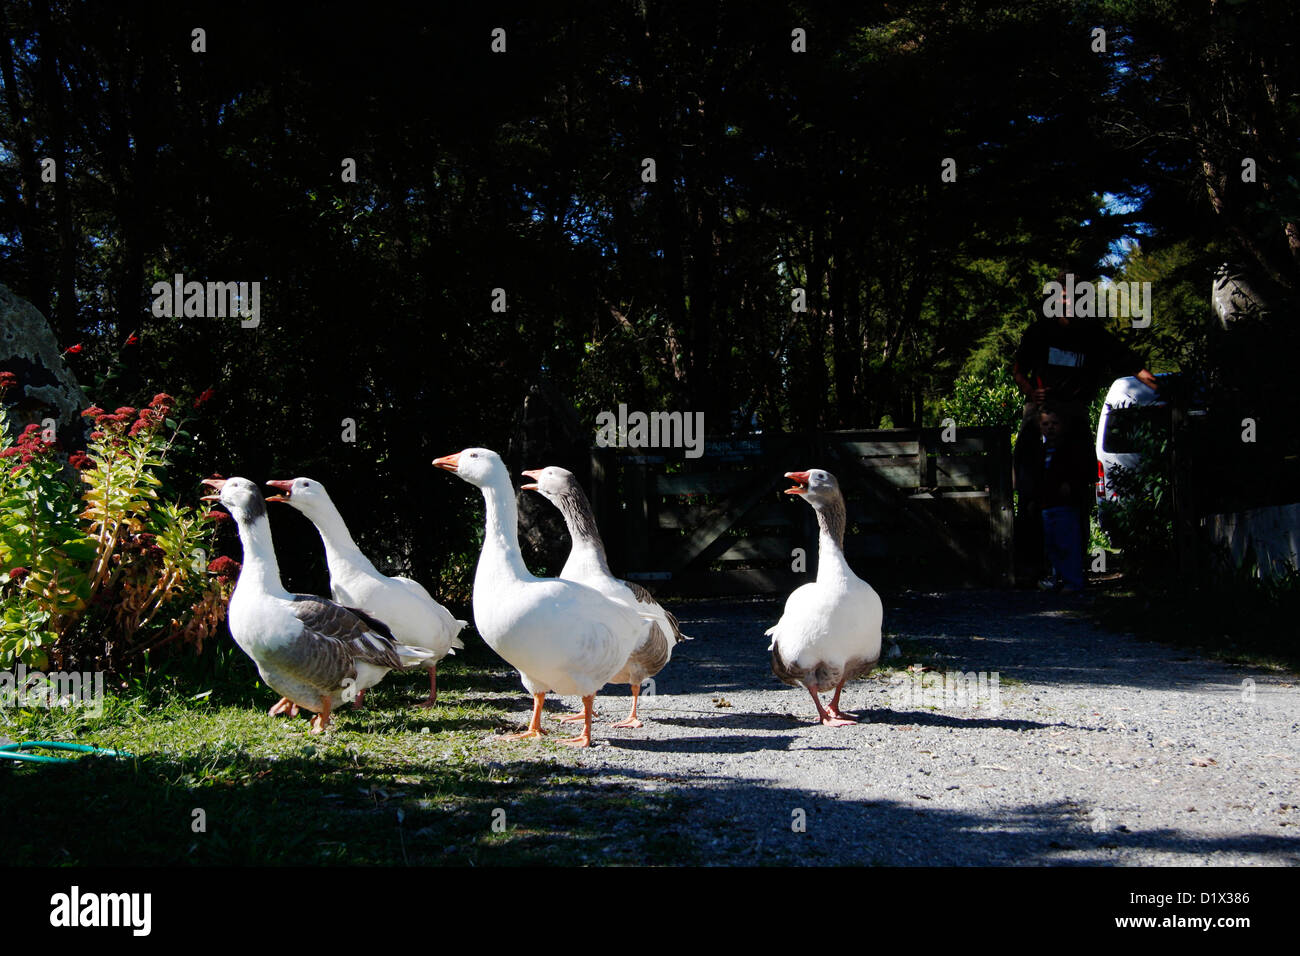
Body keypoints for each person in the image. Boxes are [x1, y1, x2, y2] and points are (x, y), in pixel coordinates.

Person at [1010, 270, 1159, 585]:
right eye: (1062, 297)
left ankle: (1073, 567)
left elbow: (1132, 363)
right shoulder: (1039, 332)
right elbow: (1018, 369)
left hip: (1074, 416)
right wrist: (1030, 392)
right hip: (1040, 413)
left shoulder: (1093, 334)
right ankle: (1029, 569)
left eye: (1075, 298)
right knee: (1032, 489)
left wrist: (1160, 387)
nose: (1068, 303)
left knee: (1077, 488)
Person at [1037, 404, 1094, 593]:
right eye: (1046, 424)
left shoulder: (1069, 449)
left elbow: (1078, 471)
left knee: (1068, 543)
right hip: (1047, 504)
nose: (1050, 427)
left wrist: (1070, 484)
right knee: (1051, 544)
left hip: (1065, 504)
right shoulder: (1042, 451)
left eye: (1054, 423)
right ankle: (1056, 578)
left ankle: (1073, 581)